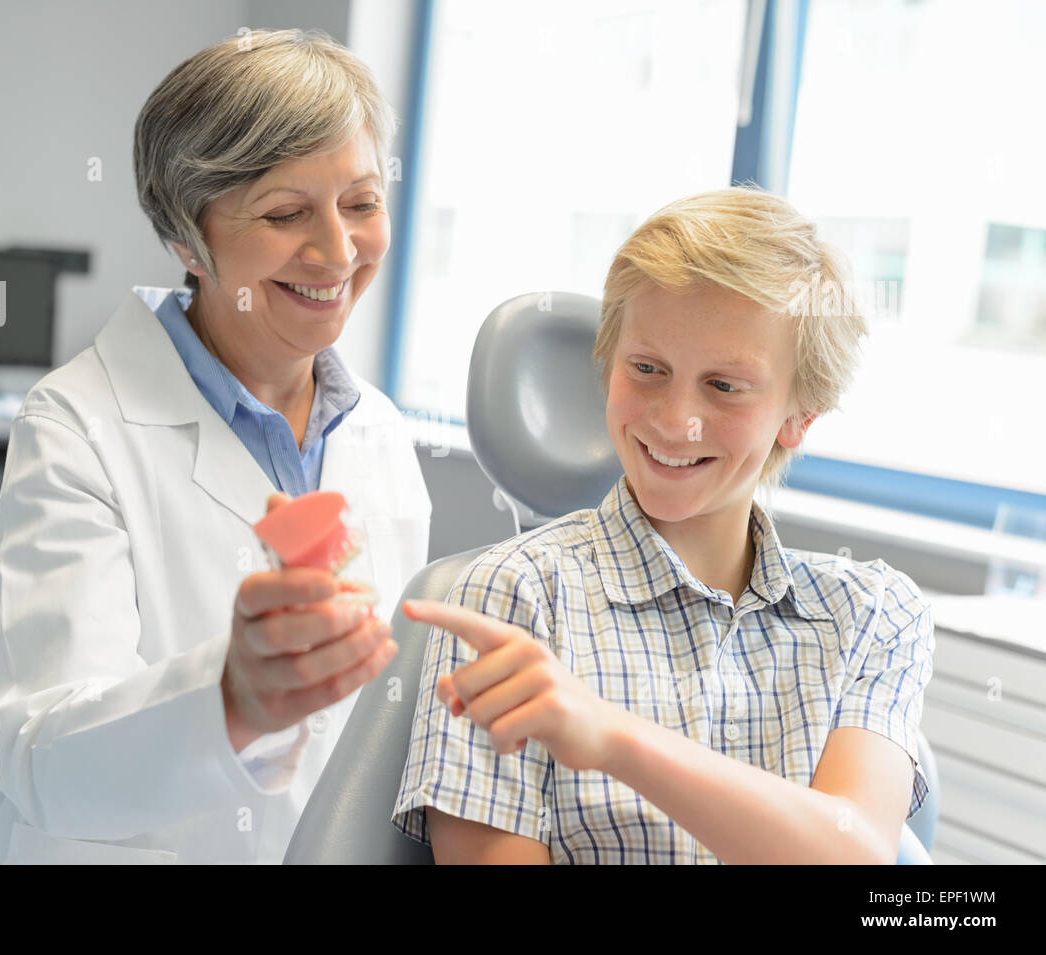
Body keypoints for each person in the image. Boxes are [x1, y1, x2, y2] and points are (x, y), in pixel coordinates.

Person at [0, 29, 431, 864]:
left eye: (360, 202)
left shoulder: (380, 433)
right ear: (185, 240)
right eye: (286, 213)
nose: (337, 250)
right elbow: (44, 760)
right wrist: (232, 697)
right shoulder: (77, 427)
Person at [392, 187, 934, 864]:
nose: (676, 420)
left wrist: (613, 738)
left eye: (725, 386)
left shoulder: (872, 614)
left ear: (799, 417)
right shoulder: (514, 598)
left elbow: (856, 854)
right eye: (647, 369)